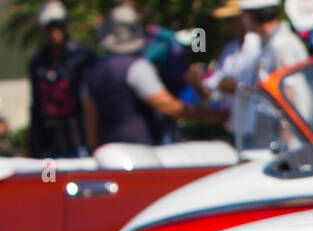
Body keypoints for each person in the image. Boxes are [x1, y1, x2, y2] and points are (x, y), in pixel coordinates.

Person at [82, 4, 226, 148]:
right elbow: (168, 106)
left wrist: (94, 148)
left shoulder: (92, 71)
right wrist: (211, 115)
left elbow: (90, 118)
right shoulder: (137, 67)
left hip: (108, 152)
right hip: (140, 152)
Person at [26, 1, 96, 158]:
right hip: (49, 144)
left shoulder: (82, 58)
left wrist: (93, 142)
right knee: (49, 182)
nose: (54, 32)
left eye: (57, 26)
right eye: (49, 28)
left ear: (65, 26)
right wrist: (32, 144)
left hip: (79, 142)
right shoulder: (38, 63)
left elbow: (90, 104)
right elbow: (36, 106)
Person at [191, 0, 262, 137]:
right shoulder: (230, 49)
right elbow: (212, 91)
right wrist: (197, 83)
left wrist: (234, 86)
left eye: (230, 20)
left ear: (244, 17)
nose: (227, 25)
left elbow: (262, 88)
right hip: (234, 131)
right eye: (225, 21)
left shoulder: (258, 45)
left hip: (258, 130)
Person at [241, 0, 309, 83]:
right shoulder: (269, 43)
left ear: (251, 16)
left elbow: (292, 89)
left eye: (243, 14)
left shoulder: (281, 44)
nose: (242, 20)